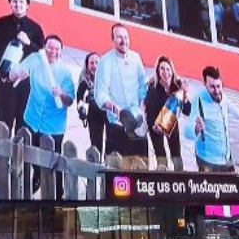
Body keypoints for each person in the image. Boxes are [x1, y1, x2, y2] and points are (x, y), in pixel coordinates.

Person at [9, 35, 76, 197]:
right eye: (50, 48)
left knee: (54, 163)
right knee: (30, 156)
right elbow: (12, 75)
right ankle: (37, 177)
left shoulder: (65, 72)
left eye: (56, 49)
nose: (53, 52)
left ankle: (57, 194)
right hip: (32, 118)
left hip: (54, 125)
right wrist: (19, 73)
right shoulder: (35, 59)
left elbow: (69, 101)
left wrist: (62, 94)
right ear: (44, 48)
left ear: (61, 51)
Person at [0, 0, 45, 135]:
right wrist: (5, 71)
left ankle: (18, 158)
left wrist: (28, 42)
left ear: (27, 5)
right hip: (5, 82)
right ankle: (1, 157)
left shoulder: (36, 28)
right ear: (10, 4)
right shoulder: (0, 24)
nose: (18, 5)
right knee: (4, 122)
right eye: (14, 1)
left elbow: (42, 56)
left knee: (23, 124)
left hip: (26, 84)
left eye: (21, 2)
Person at [95, 23, 149, 166]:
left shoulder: (136, 58)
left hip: (137, 122)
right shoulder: (105, 61)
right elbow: (100, 93)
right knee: (116, 170)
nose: (123, 41)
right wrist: (115, 109)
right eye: (119, 37)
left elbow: (142, 86)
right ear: (113, 40)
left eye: (126, 37)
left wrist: (142, 107)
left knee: (140, 167)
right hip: (117, 124)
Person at [184, 66, 239, 173]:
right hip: (208, 161)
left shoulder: (222, 95)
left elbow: (230, 105)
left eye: (219, 86)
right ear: (204, 84)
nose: (217, 91)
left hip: (226, 156)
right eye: (212, 87)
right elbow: (187, 132)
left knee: (232, 185)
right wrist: (196, 129)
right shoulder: (198, 101)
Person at [145, 56, 191, 171]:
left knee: (176, 157)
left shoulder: (178, 85)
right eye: (162, 69)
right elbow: (148, 112)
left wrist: (185, 94)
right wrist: (153, 126)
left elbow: (187, 111)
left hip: (172, 124)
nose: (165, 72)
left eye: (168, 69)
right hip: (155, 125)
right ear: (158, 71)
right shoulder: (152, 86)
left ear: (172, 70)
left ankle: (179, 179)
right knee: (161, 159)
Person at [75, 52, 106, 155]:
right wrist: (81, 110)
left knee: (112, 142)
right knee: (96, 144)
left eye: (97, 62)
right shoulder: (84, 81)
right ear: (87, 66)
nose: (95, 66)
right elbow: (79, 99)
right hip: (93, 115)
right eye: (91, 63)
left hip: (108, 113)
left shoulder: (108, 79)